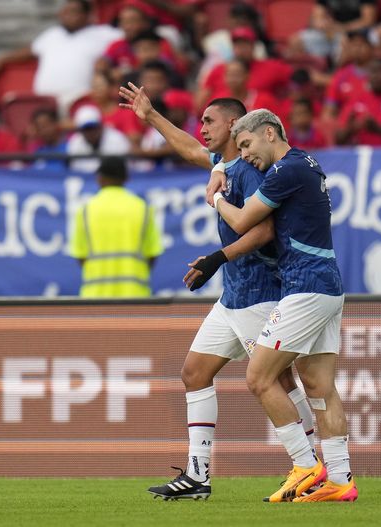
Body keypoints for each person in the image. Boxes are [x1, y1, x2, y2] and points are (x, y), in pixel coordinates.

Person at [119, 84, 317, 500]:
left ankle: (314, 466)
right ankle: (197, 476)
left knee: (278, 381)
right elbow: (191, 149)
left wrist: (217, 257)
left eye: (209, 121)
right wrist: (151, 116)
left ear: (233, 124)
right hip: (233, 297)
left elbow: (263, 228)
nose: (202, 128)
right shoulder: (224, 165)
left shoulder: (249, 171)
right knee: (194, 373)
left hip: (259, 292)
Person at [204, 108, 355, 502]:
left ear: (269, 133)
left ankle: (305, 466)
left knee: (259, 377)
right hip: (325, 285)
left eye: (248, 145)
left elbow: (242, 221)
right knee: (320, 387)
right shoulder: (307, 162)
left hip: (306, 287)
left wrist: (217, 197)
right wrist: (221, 165)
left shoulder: (284, 170)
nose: (246, 155)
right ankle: (340, 481)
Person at [0, 0, 122, 113]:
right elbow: (29, 52)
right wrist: (2, 59)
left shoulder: (104, 33)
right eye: (65, 11)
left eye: (73, 11)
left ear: (88, 15)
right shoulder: (52, 34)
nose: (68, 15)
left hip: (81, 100)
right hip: (45, 101)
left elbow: (130, 42)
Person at [69, 156, 163, 297]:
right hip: (136, 295)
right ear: (125, 178)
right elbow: (152, 254)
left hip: (94, 296)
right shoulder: (142, 208)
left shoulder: (85, 210)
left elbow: (80, 255)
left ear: (100, 178)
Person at [196, 27, 293, 110]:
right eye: (238, 44)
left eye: (245, 44)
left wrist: (284, 108)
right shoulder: (219, 69)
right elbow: (200, 102)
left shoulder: (272, 67)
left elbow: (296, 84)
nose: (241, 48)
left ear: (253, 46)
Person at [66, 105, 130, 172]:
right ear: (80, 130)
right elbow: (75, 171)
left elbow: (122, 170)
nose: (91, 132)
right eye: (86, 129)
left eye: (93, 127)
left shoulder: (117, 139)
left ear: (100, 126)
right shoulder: (75, 142)